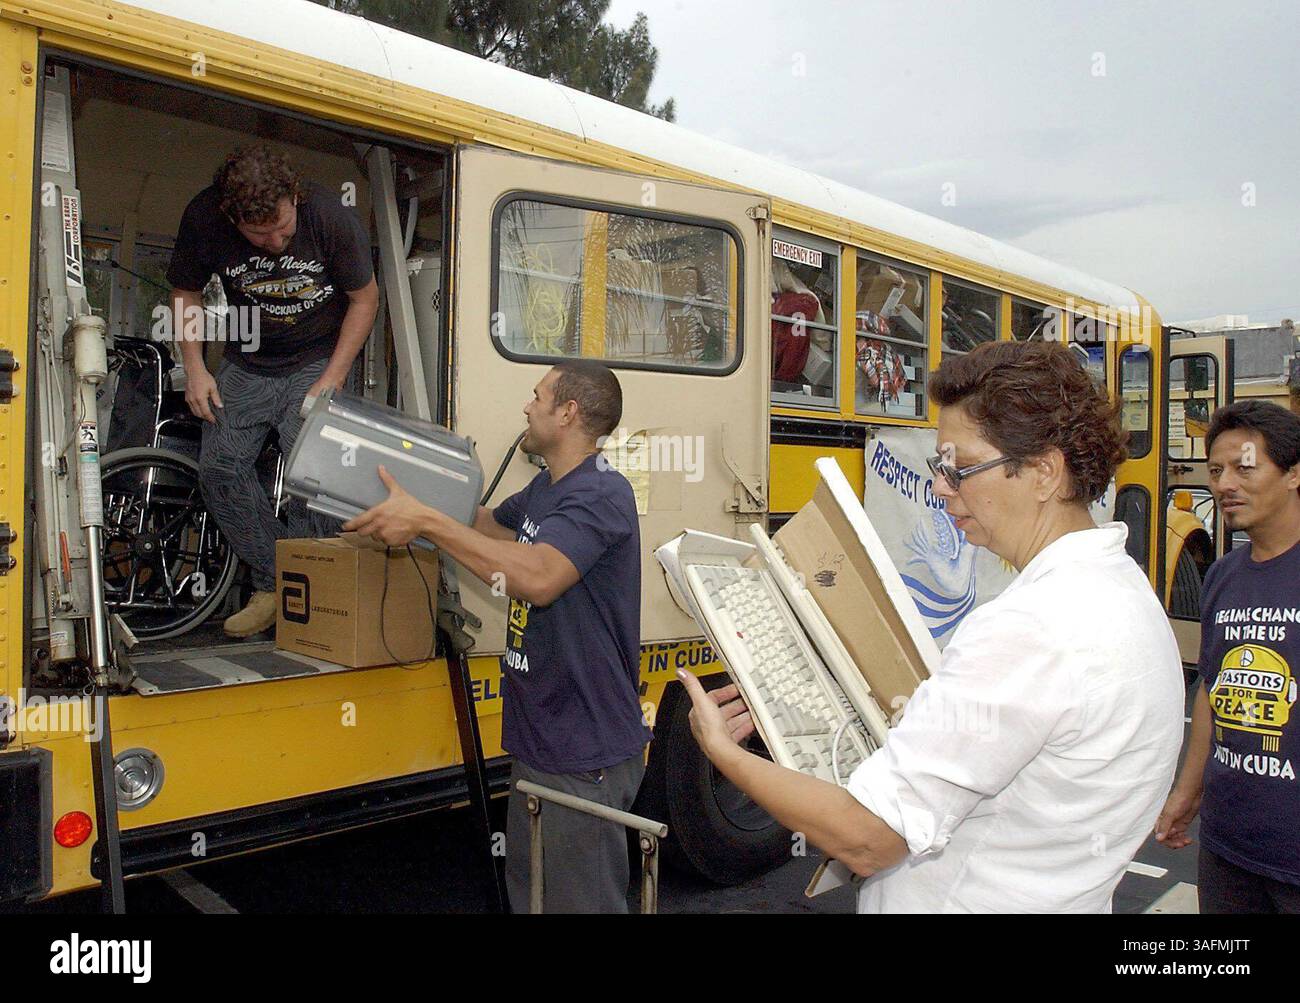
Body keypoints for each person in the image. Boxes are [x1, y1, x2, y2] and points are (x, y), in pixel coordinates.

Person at [680, 340, 1185, 912]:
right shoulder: (1122, 589)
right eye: (938, 466)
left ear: (1044, 472)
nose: (942, 487)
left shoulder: (1030, 627)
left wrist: (724, 753)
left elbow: (869, 839)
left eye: (962, 467)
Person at [342, 360, 650, 913]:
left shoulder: (603, 492)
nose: (527, 407)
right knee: (533, 895)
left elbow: (538, 578)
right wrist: (409, 490)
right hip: (542, 738)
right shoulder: (547, 487)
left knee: (577, 904)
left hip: (585, 748)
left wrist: (428, 525)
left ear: (568, 411)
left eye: (538, 396)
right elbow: (489, 527)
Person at [165, 144, 379, 637]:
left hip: (318, 358)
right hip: (248, 361)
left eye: (283, 228)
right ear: (232, 217)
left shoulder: (328, 216)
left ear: (295, 198)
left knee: (317, 476)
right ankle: (277, 581)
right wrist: (195, 368)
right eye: (260, 235)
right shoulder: (204, 217)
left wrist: (333, 375)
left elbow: (364, 298)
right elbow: (185, 292)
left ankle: (317, 590)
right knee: (218, 469)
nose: (278, 241)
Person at [1154, 400, 1300, 913]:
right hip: (1228, 848)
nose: (1224, 485)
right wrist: (1186, 795)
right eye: (1215, 471)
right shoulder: (1222, 576)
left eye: (1244, 467)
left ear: (1294, 473)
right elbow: (1211, 695)